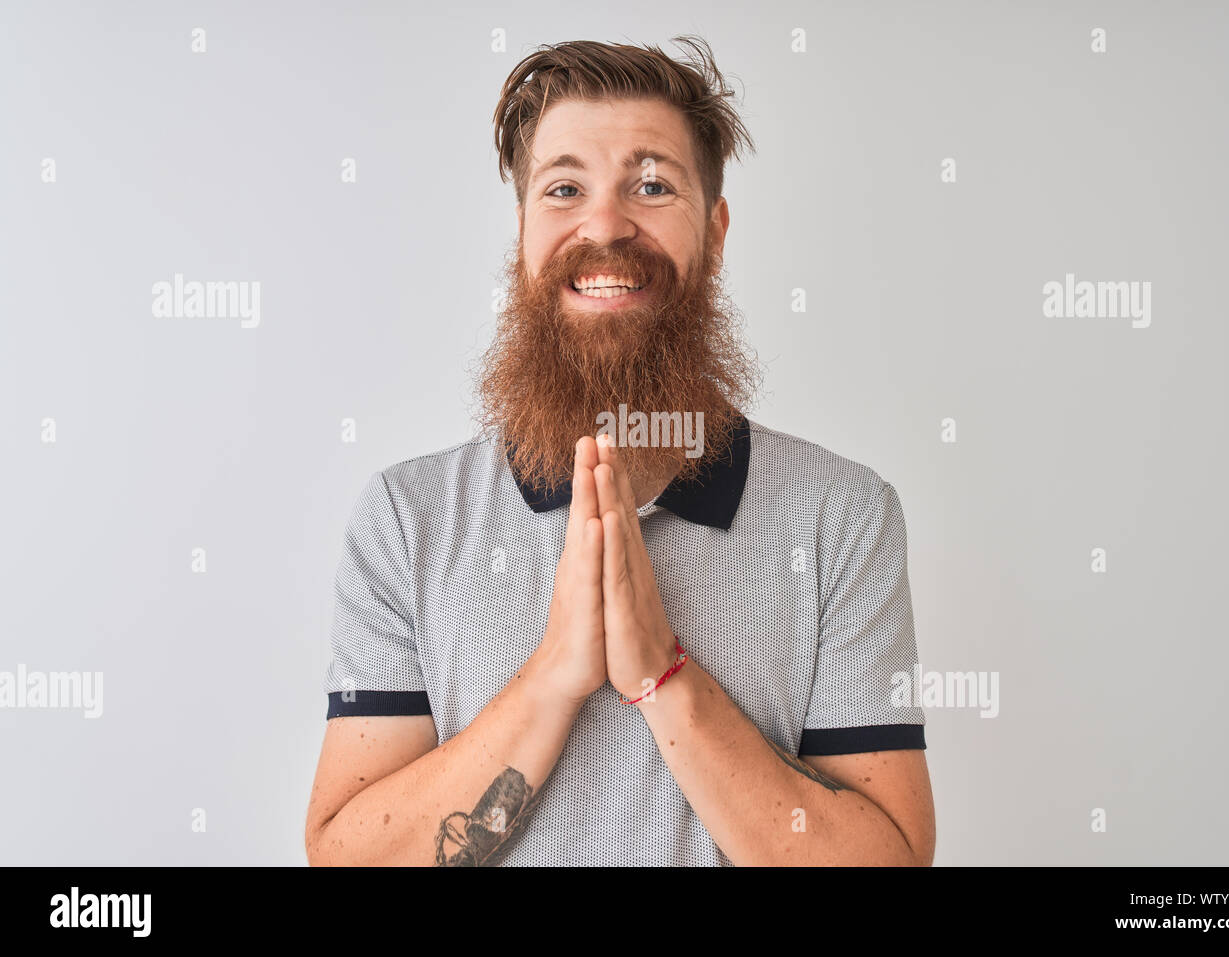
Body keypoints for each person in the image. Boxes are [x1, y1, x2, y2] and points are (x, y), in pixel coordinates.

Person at [304, 35, 935, 866]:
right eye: (564, 188)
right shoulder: (405, 520)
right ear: (523, 231)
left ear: (714, 230)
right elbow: (348, 857)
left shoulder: (842, 516)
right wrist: (553, 677)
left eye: (652, 185)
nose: (605, 223)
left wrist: (665, 680)